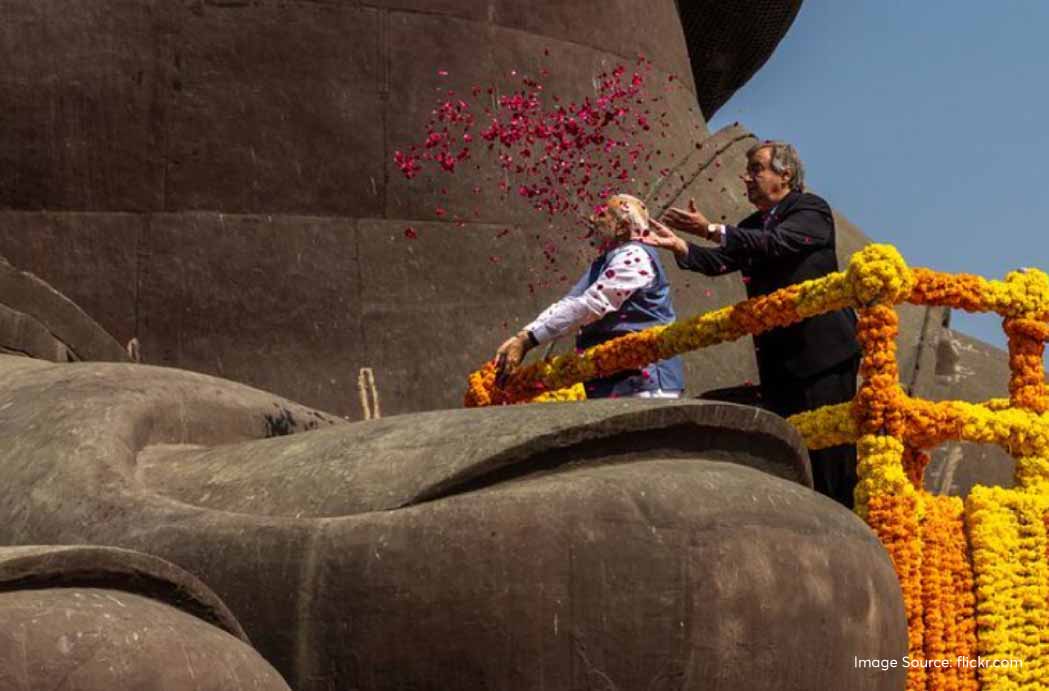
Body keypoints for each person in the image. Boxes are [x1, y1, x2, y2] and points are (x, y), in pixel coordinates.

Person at [642, 141, 860, 508]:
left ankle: (849, 530)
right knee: (793, 451)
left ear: (784, 175)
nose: (747, 177)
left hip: (823, 355)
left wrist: (712, 229)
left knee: (831, 455)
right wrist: (680, 247)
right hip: (780, 359)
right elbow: (720, 261)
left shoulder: (810, 210)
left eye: (756, 168)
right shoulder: (752, 225)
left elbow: (777, 244)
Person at [493, 194, 685, 399]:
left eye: (602, 215)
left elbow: (589, 306)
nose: (593, 220)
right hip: (621, 383)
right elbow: (572, 303)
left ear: (621, 228)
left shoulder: (634, 255)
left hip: (647, 386)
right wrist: (525, 334)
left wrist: (528, 339)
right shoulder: (611, 259)